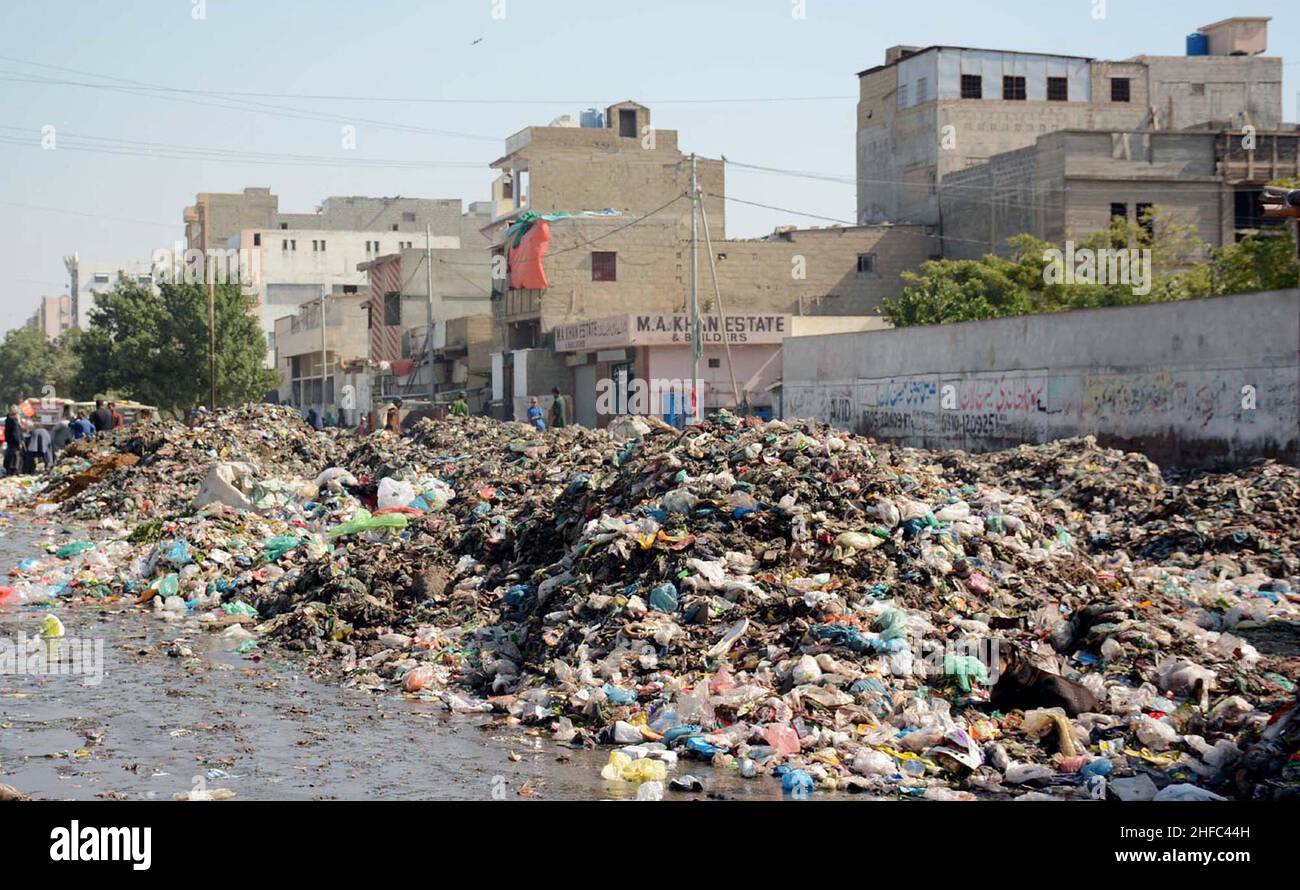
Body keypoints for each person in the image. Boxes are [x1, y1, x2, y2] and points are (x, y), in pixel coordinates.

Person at [4, 405, 22, 476]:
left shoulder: (7, 419)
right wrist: (19, 442)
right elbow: (16, 432)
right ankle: (13, 472)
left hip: (9, 441)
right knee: (15, 457)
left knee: (9, 456)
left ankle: (8, 471)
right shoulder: (14, 420)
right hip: (14, 442)